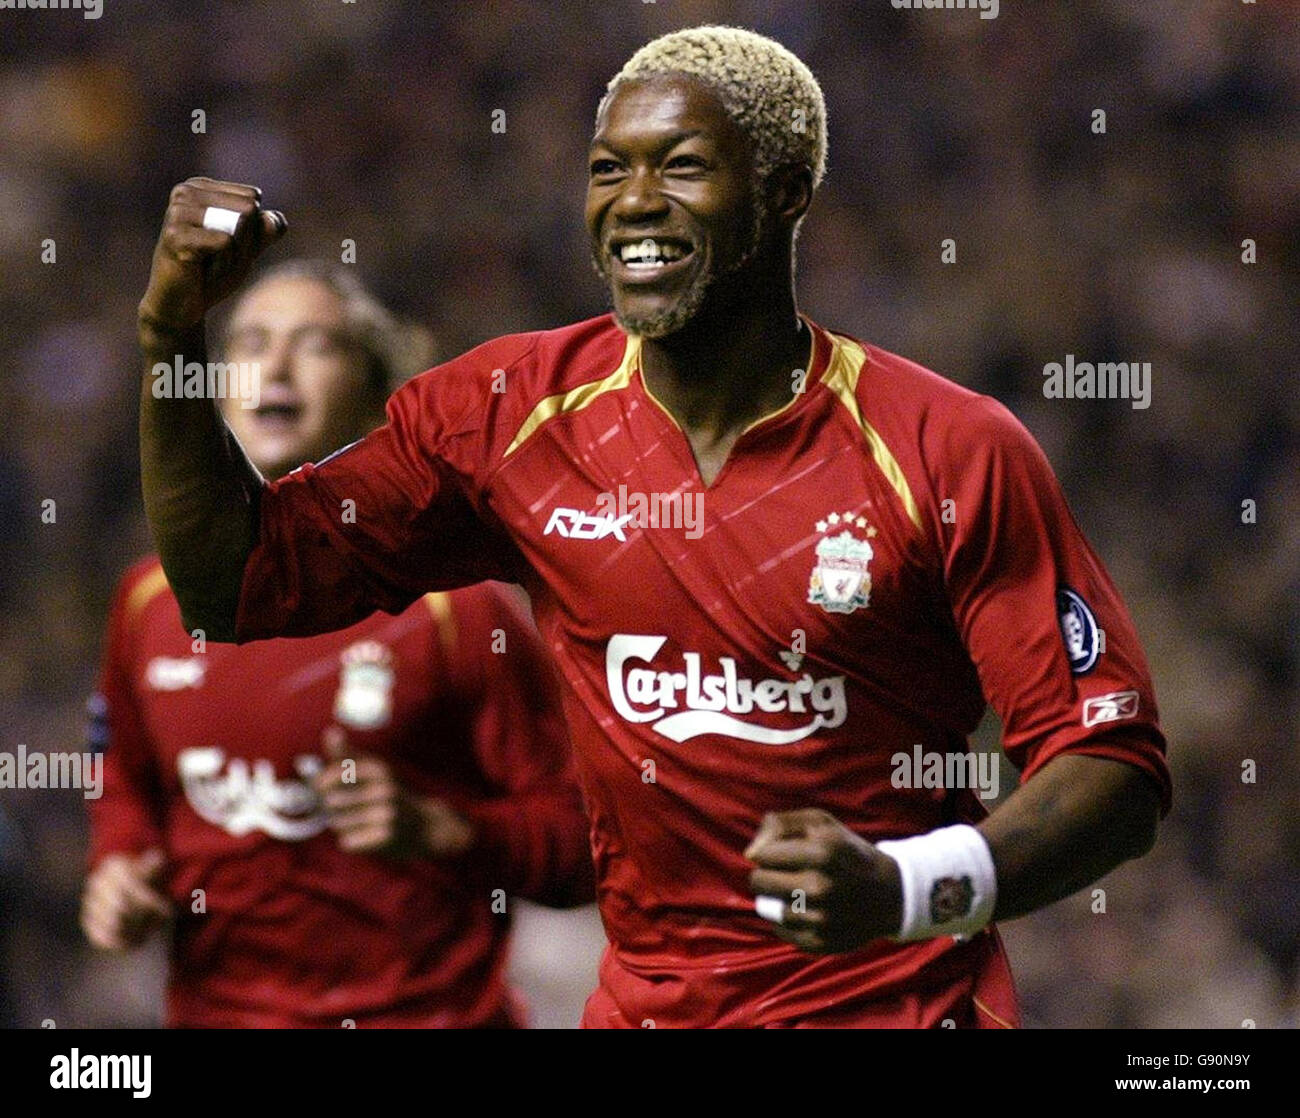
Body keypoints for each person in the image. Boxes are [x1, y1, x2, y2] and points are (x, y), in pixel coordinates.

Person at [134, 26, 1172, 1028]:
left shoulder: (947, 448)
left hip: (901, 1008)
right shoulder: (506, 416)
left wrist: (907, 885)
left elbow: (1112, 762)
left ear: (783, 193)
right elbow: (234, 580)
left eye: (680, 166)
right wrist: (171, 330)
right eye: (605, 170)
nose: (633, 202)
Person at [85, 261, 594, 1028]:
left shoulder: (456, 609)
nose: (274, 367)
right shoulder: (150, 602)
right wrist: (119, 867)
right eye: (250, 342)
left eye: (314, 343)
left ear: (375, 386)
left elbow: (585, 844)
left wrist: (450, 830)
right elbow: (123, 771)